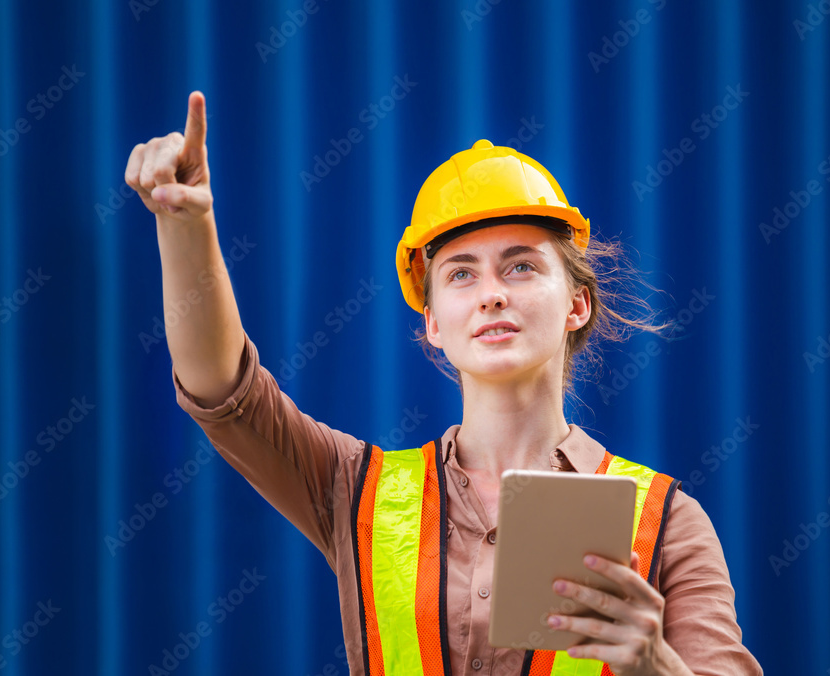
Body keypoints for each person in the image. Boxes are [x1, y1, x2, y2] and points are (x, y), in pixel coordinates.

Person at [125, 91, 764, 676]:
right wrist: (186, 226)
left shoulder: (667, 522)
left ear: (577, 304)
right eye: (461, 274)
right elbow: (224, 394)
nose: (490, 294)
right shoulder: (357, 492)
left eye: (520, 267)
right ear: (432, 321)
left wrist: (656, 665)